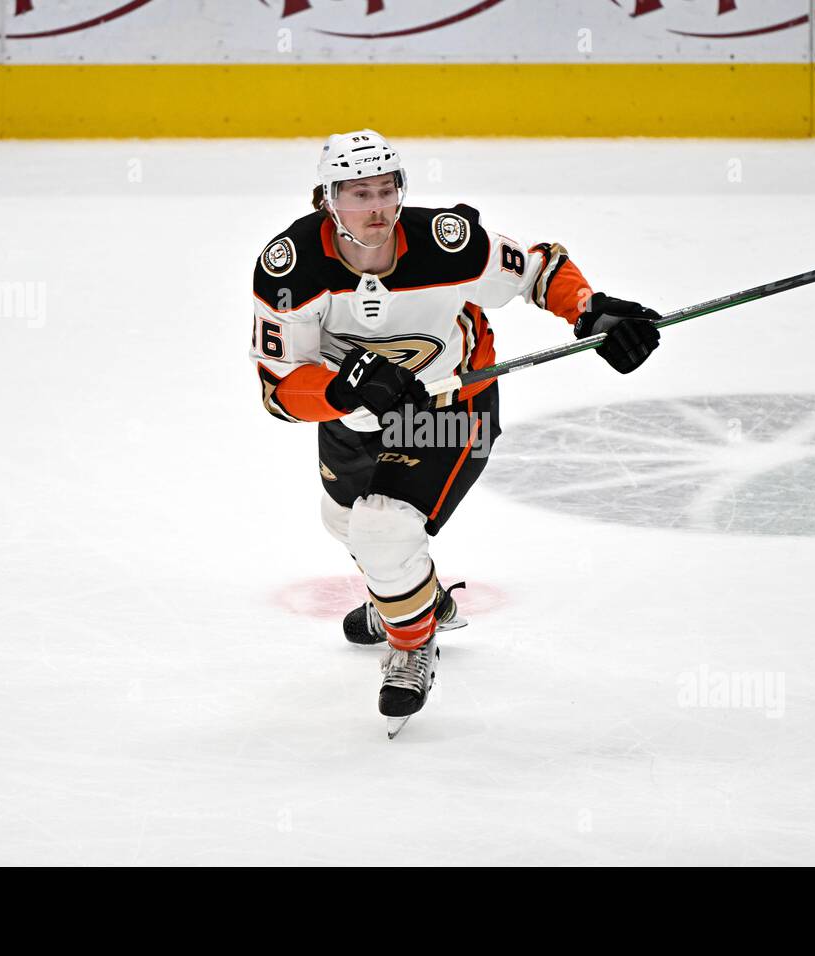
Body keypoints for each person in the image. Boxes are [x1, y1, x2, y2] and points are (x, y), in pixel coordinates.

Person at [249, 129, 661, 735]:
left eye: (387, 190)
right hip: (354, 417)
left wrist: (589, 310)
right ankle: (416, 596)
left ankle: (411, 640)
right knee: (341, 522)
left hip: (447, 407)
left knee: (383, 529)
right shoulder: (291, 268)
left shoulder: (449, 244)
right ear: (327, 200)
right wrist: (342, 390)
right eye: (359, 194)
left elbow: (538, 268)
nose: (378, 208)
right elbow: (279, 390)